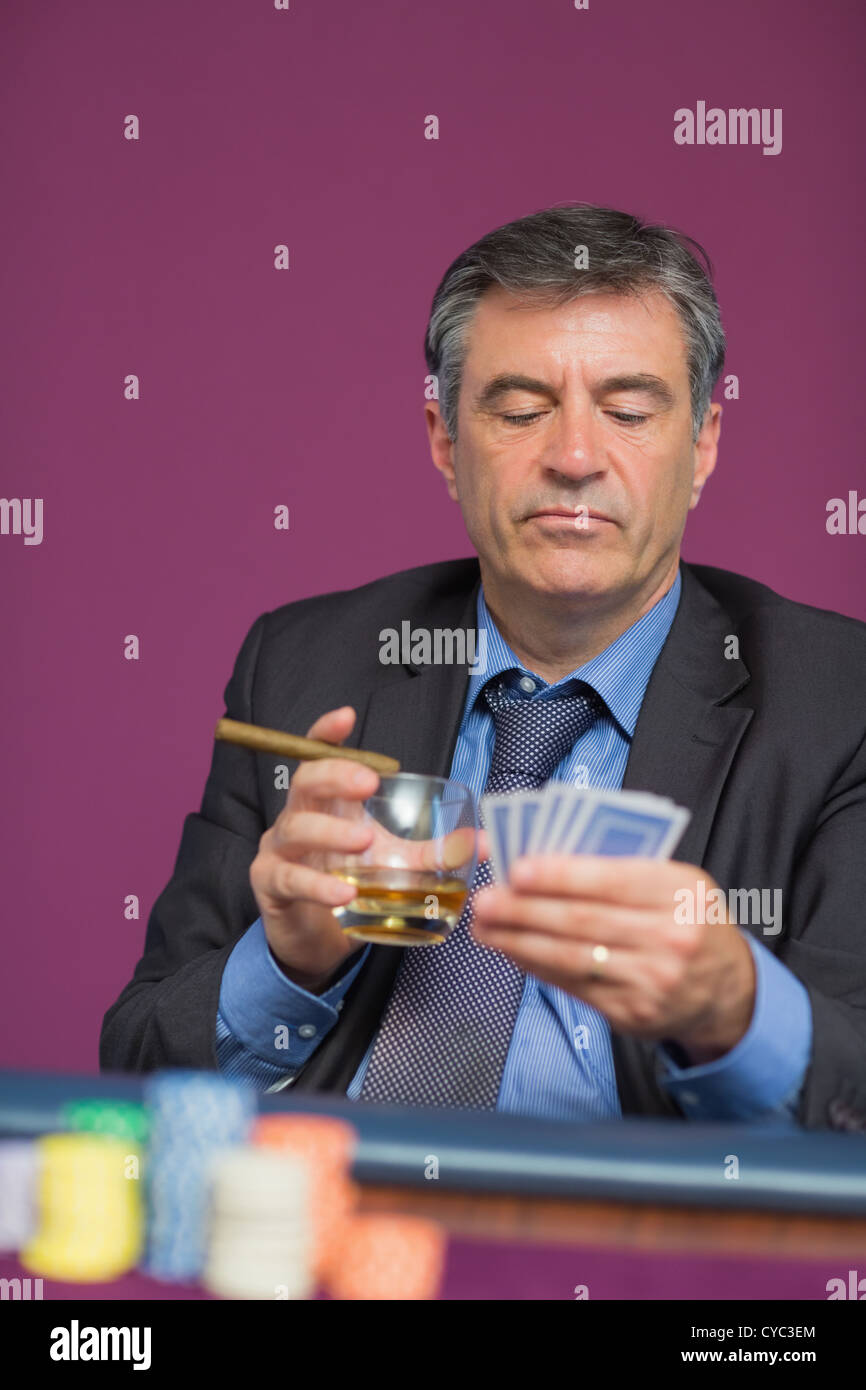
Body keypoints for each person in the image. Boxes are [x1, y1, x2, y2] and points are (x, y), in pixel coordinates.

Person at [100, 203, 866, 1129]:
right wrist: (286, 962)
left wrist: (735, 1011)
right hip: (346, 1241)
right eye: (518, 409)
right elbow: (134, 1063)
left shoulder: (837, 703)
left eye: (627, 411)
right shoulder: (304, 667)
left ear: (702, 444)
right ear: (444, 440)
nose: (575, 457)